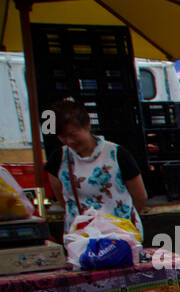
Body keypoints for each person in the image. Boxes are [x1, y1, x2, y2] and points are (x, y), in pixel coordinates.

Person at [48, 97, 147, 235]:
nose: (69, 141)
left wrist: (122, 222)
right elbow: (62, 198)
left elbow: (140, 196)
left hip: (119, 236)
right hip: (80, 239)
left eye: (73, 134)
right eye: (62, 136)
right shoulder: (58, 159)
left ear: (87, 125)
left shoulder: (117, 154)